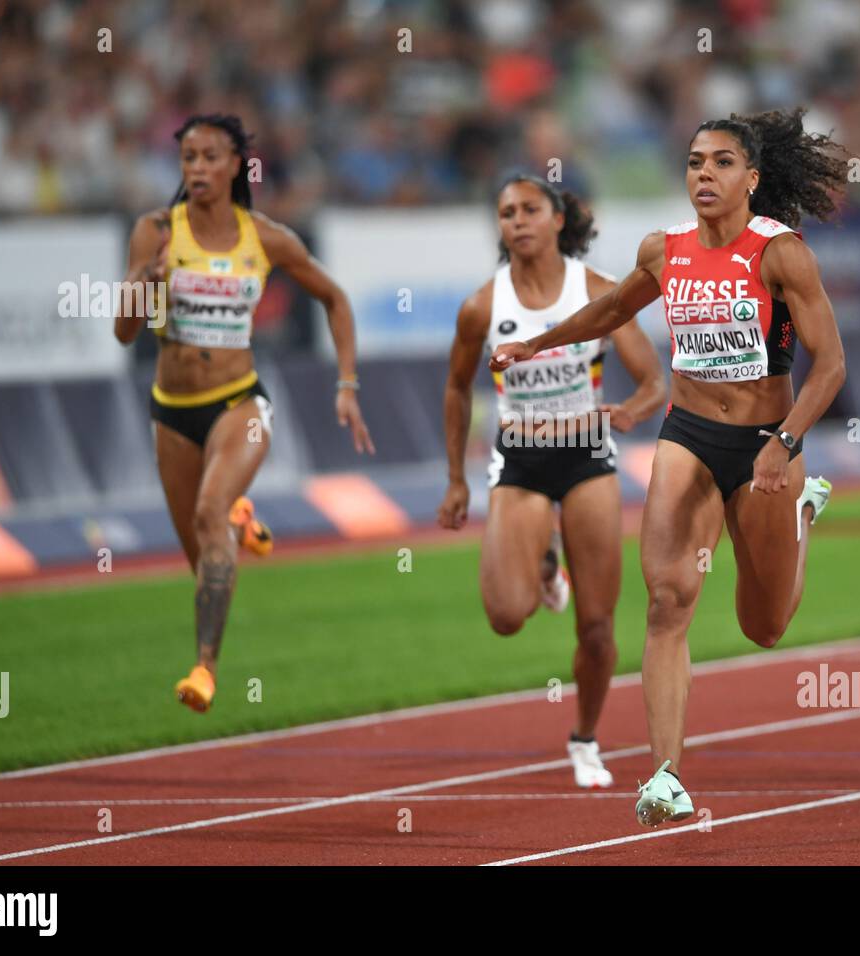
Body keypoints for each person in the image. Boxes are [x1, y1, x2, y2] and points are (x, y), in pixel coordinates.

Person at [491, 111, 848, 823]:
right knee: (665, 602)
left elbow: (830, 365)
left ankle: (803, 512)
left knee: (765, 626)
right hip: (685, 437)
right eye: (693, 162)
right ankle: (664, 775)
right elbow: (610, 310)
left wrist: (786, 441)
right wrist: (539, 344)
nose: (704, 175)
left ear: (751, 179)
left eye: (720, 163)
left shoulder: (781, 255)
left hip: (764, 447)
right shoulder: (666, 250)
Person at [114, 113, 375, 713]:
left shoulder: (266, 237)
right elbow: (126, 334)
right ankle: (238, 521)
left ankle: (204, 669)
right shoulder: (154, 231)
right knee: (202, 553)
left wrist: (347, 383)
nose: (198, 169)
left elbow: (334, 298)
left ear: (237, 164)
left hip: (241, 403)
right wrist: (138, 280)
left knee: (208, 512)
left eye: (210, 157)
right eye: (188, 159)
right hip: (172, 410)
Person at [439, 174, 666, 788]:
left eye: (530, 209)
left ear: (557, 218)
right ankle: (544, 565)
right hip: (519, 460)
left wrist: (629, 412)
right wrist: (457, 479)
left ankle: (586, 739)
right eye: (506, 211)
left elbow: (653, 382)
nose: (517, 220)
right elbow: (457, 387)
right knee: (507, 615)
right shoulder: (483, 306)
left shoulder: (594, 291)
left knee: (595, 627)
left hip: (587, 456)